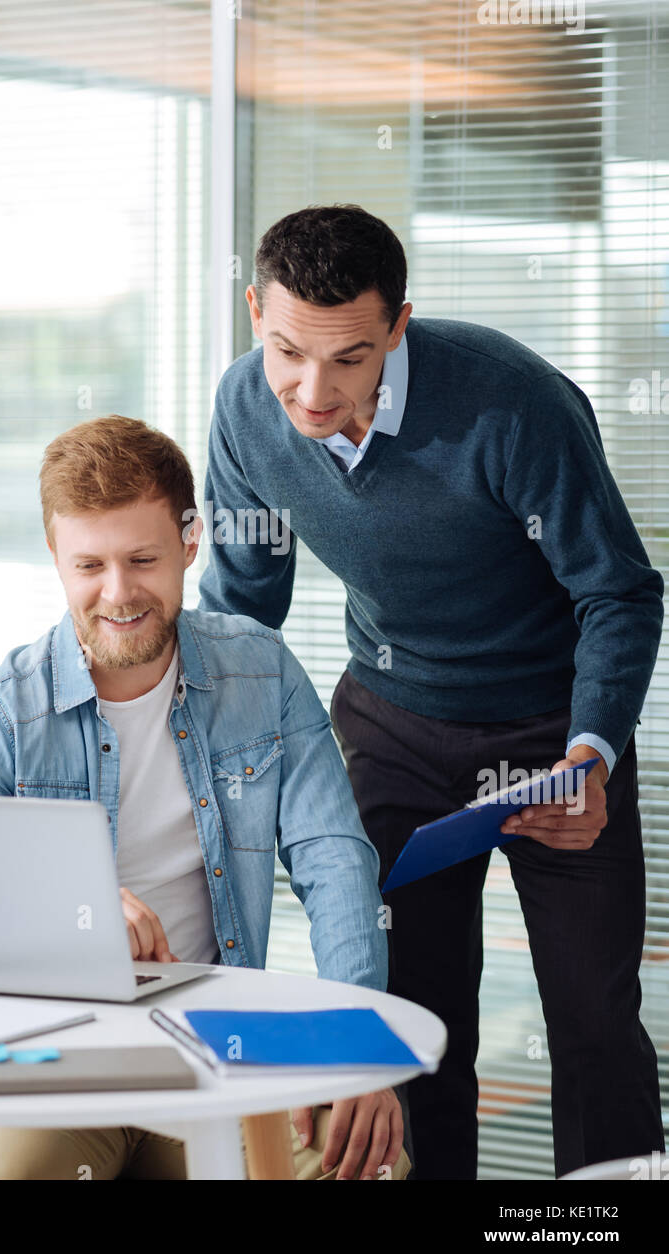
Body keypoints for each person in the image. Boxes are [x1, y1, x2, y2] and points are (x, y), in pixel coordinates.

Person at [198, 202, 665, 1180]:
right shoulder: (247, 408)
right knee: (413, 1026)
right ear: (254, 310)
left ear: (399, 326)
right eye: (287, 350)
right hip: (393, 727)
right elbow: (245, 605)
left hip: (553, 735)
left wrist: (594, 752)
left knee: (593, 1025)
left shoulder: (510, 404)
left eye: (350, 357)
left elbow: (617, 590)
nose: (311, 390)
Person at [0, 414, 410, 1181]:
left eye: (142, 559)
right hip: (41, 1055)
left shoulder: (262, 672)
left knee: (361, 1164)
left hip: (212, 1046)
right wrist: (65, 910)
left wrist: (354, 1045)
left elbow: (335, 860)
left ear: (190, 543)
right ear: (55, 555)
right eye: (89, 565)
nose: (117, 594)